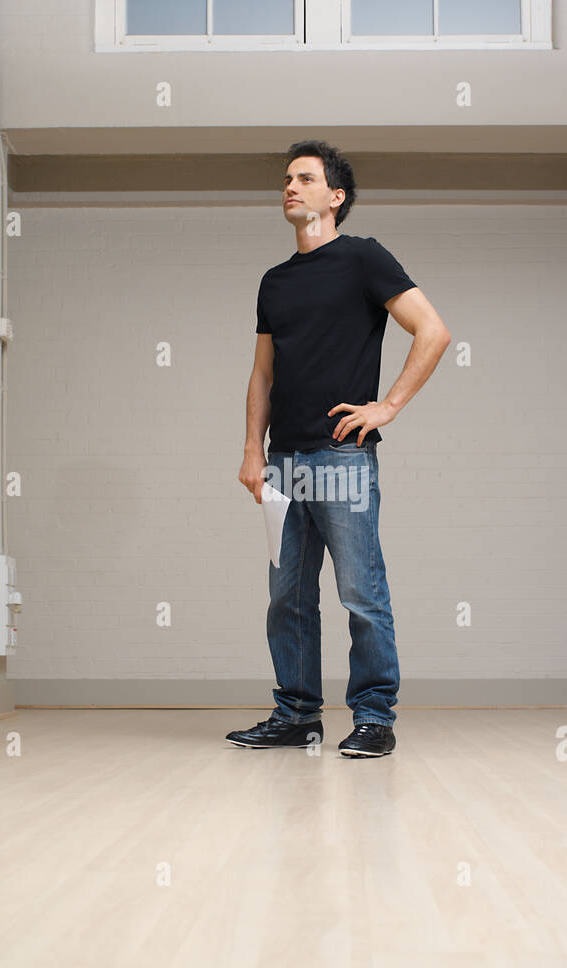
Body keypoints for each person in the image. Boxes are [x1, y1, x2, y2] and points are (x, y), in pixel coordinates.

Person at [231, 140, 451, 758]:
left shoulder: (363, 259)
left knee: (360, 591)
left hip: (343, 460)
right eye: (285, 179)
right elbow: (262, 375)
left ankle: (374, 717)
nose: (290, 188)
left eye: (305, 178)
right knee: (287, 597)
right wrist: (253, 449)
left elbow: (433, 331)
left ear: (336, 197)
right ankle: (297, 715)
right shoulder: (274, 282)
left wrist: (388, 406)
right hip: (283, 464)